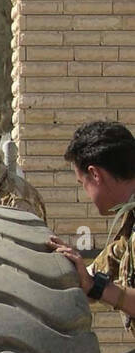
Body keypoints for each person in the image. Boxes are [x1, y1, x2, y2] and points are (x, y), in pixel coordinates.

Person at [50, 122, 135, 321]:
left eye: (83, 183)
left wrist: (96, 286)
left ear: (96, 174)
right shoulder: (130, 219)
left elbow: (93, 284)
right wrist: (68, 268)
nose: (86, 194)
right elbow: (101, 269)